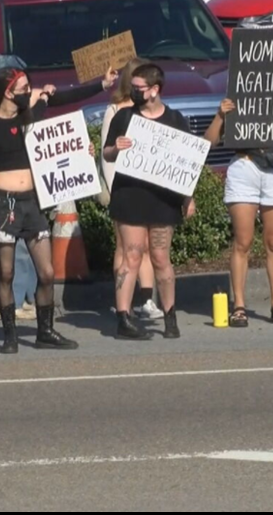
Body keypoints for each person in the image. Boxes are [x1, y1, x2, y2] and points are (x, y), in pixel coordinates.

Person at [0, 66, 114, 354]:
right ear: (8, 92)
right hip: (3, 204)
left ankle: (45, 330)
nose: (29, 92)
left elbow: (66, 100)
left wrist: (101, 84)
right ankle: (10, 335)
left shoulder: (31, 115)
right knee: (6, 272)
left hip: (33, 202)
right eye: (23, 88)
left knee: (47, 272)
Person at [103, 64, 196, 340]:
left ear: (155, 90)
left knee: (159, 257)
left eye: (139, 88)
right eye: (133, 86)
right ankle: (124, 317)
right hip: (130, 195)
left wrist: (188, 199)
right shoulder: (124, 117)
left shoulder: (175, 120)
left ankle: (170, 314)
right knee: (131, 255)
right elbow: (107, 154)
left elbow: (187, 164)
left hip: (162, 199)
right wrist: (114, 148)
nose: (133, 91)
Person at [203, 100, 273, 327]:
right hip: (244, 169)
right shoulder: (235, 99)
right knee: (242, 242)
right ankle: (239, 305)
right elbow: (209, 142)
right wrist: (220, 115)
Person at [101, 58, 159, 321]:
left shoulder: (149, 110)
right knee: (125, 248)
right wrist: (115, 190)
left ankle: (147, 300)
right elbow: (107, 153)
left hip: (148, 190)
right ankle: (122, 301)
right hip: (123, 190)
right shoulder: (115, 112)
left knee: (145, 246)